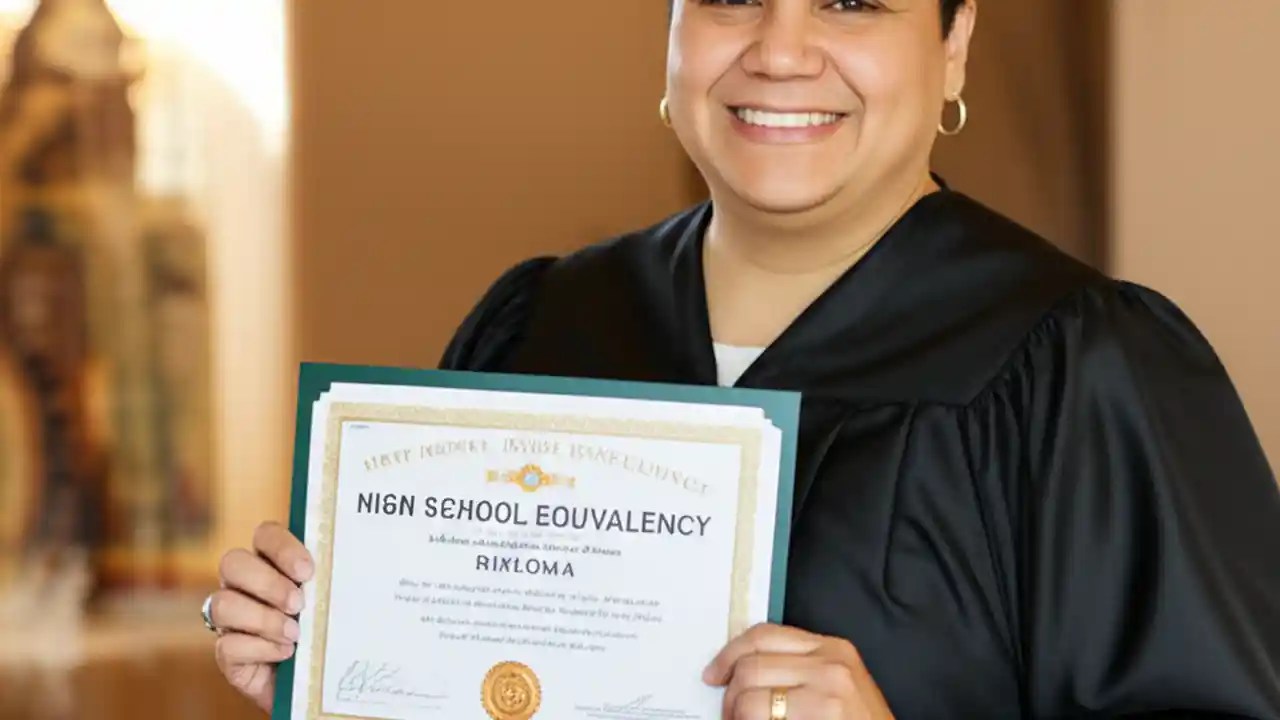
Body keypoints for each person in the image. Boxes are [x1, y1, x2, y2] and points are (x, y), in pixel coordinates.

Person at [206, 0, 1280, 717]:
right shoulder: (541, 329)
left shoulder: (1080, 366)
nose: (779, 50)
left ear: (954, 43)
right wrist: (325, 666)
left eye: (851, 0)